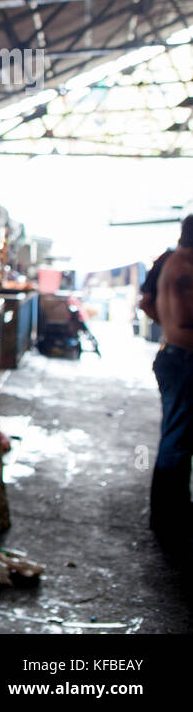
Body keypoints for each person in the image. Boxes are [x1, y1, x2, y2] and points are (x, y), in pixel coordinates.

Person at [150, 217, 193, 540]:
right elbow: (183, 315)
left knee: (179, 437)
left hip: (175, 356)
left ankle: (173, 511)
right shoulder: (184, 270)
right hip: (182, 361)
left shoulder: (172, 262)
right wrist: (174, 328)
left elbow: (148, 303)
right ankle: (167, 518)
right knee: (177, 441)